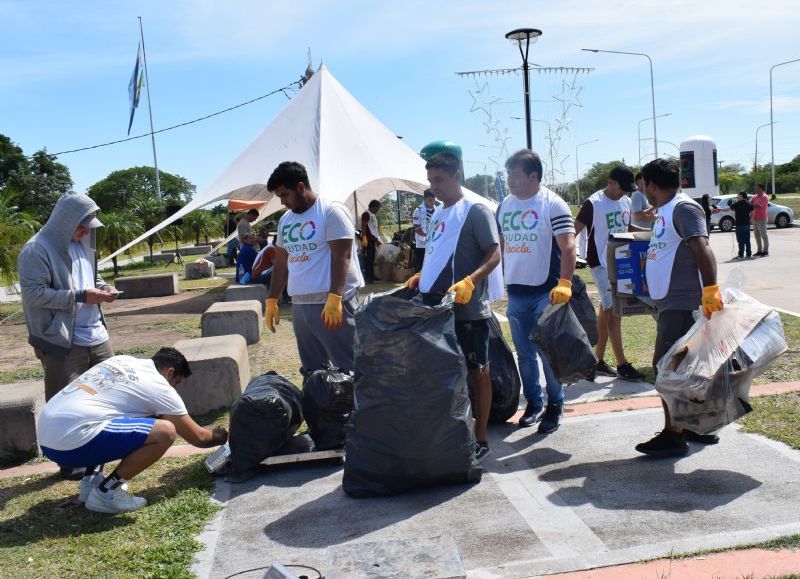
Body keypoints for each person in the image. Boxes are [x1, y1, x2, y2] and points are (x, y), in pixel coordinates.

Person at [36, 348, 228, 514]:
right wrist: (222, 435)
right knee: (165, 431)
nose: (174, 389)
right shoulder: (160, 386)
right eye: (176, 383)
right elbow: (199, 438)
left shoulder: (121, 360)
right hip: (72, 442)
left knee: (107, 415)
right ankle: (106, 493)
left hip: (47, 438)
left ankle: (90, 482)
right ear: (169, 373)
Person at [406, 152, 501, 461]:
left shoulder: (475, 211)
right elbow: (437, 252)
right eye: (431, 181)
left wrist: (471, 281)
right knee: (445, 374)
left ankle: (482, 437)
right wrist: (424, 275)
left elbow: (494, 254)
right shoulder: (438, 214)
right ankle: (452, 432)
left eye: (440, 180)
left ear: (457, 175)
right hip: (438, 311)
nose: (435, 187)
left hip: (470, 312)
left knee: (478, 373)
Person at [635, 159, 723, 456]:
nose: (643, 190)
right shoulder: (668, 207)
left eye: (644, 185)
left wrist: (710, 290)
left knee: (667, 369)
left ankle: (674, 434)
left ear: (651, 185)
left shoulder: (684, 208)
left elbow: (701, 247)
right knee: (683, 369)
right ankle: (694, 425)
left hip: (682, 303)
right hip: (670, 302)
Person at [497, 150, 576, 433]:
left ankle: (555, 404)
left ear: (534, 176)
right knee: (525, 354)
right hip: (517, 292)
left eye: (515, 174)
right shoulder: (505, 205)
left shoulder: (552, 204)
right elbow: (501, 246)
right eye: (508, 174)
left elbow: (568, 245)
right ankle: (534, 403)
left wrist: (565, 282)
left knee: (547, 353)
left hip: (547, 292)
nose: (510, 180)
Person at [18, 192, 119, 401]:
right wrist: (81, 296)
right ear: (65, 221)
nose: (86, 231)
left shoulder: (83, 244)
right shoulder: (36, 250)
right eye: (82, 226)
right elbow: (33, 295)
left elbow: (90, 275)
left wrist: (104, 288)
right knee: (64, 405)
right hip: (62, 342)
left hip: (97, 336)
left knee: (112, 396)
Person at [265, 161, 364, 374]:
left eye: (285, 195)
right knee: (312, 366)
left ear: (300, 187)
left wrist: (335, 297)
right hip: (301, 303)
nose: (283, 202)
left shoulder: (330, 211)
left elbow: (342, 256)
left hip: (332, 302)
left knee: (346, 364)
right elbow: (282, 262)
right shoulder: (285, 220)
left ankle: (356, 406)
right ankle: (321, 406)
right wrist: (272, 299)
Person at [573, 166, 645, 382]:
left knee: (612, 310)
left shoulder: (625, 200)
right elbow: (572, 231)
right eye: (621, 188)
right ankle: (619, 363)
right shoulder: (593, 204)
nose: (624, 193)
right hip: (600, 263)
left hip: (622, 261)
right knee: (613, 308)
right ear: (611, 182)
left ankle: (596, 360)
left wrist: (654, 230)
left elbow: (629, 226)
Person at [411, 190, 437, 271]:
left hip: (434, 242)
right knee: (421, 265)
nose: (432, 202)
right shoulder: (417, 211)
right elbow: (417, 229)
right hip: (422, 243)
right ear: (424, 199)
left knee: (432, 264)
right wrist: (428, 236)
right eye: (430, 200)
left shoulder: (438, 210)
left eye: (434, 200)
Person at [360, 200, 382, 283]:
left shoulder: (373, 215)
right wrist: (364, 237)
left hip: (373, 240)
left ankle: (372, 275)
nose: (378, 210)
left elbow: (373, 229)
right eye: (377, 208)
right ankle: (368, 277)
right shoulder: (366, 214)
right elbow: (363, 225)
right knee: (368, 259)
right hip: (367, 240)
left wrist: (377, 239)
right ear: (374, 207)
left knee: (372, 258)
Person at [731, 191, 754, 260]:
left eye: (738, 195)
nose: (737, 197)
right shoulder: (748, 204)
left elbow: (728, 209)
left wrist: (719, 210)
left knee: (740, 240)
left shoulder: (737, 204)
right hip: (747, 224)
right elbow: (753, 210)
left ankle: (741, 255)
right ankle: (749, 254)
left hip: (740, 225)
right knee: (747, 240)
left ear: (741, 196)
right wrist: (750, 218)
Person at [751, 184, 769, 256]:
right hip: (754, 218)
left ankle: (765, 250)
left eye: (756, 188)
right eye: (755, 188)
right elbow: (750, 203)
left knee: (763, 235)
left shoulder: (764, 197)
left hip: (762, 218)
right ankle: (759, 251)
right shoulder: (754, 197)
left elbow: (758, 206)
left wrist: (750, 204)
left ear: (761, 188)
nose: (755, 189)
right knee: (756, 235)